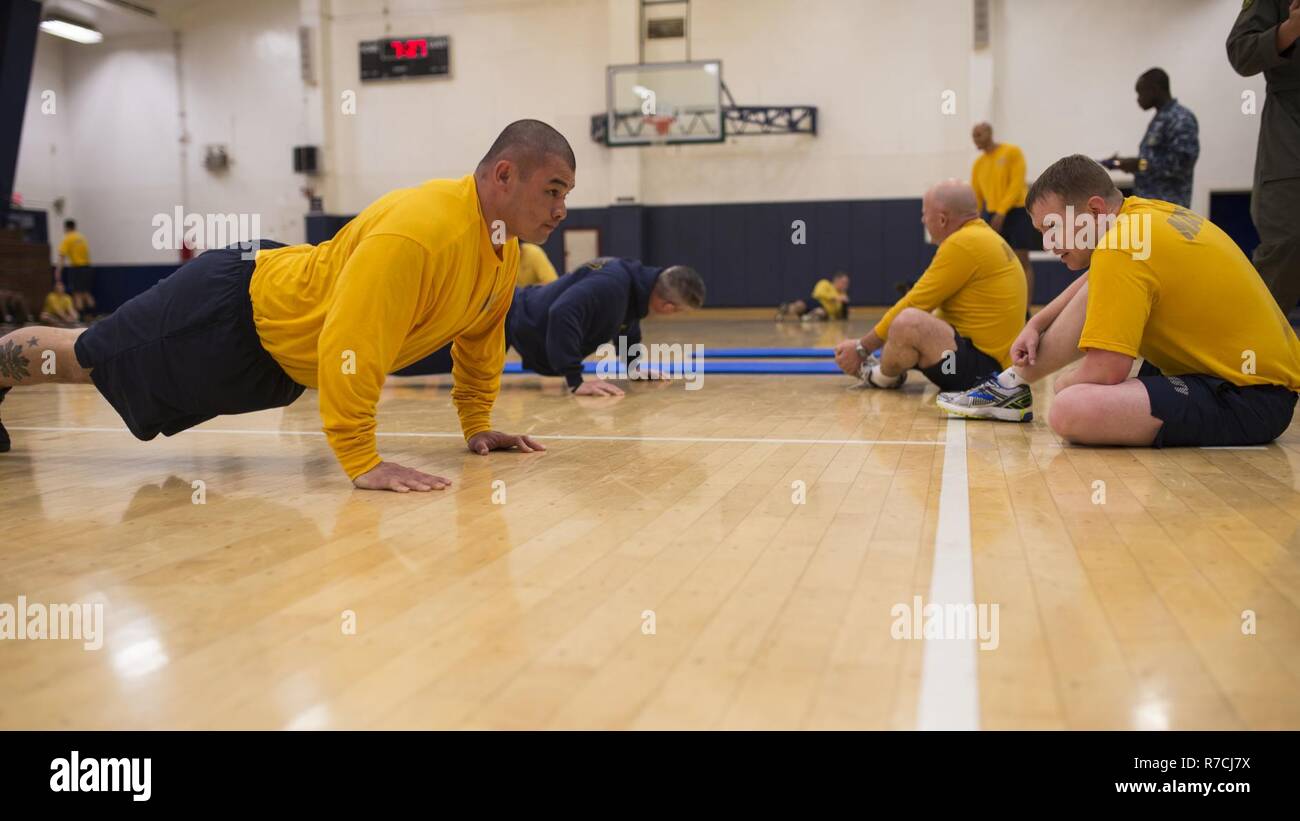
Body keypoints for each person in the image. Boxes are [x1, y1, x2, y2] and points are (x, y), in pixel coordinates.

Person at [0, 120, 574, 482]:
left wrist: (477, 424)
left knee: (109, 375)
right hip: (229, 309)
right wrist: (361, 458)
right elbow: (354, 338)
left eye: (566, 196)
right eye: (552, 191)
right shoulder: (424, 231)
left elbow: (479, 341)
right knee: (88, 358)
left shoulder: (500, 250)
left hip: (271, 361)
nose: (560, 209)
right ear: (504, 174)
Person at [938, 155, 1299, 447]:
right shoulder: (1140, 216)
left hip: (1249, 399)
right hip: (1243, 379)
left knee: (1069, 409)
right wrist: (1036, 322)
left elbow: (1107, 371)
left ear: (1094, 210)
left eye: (1052, 227)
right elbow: (1094, 280)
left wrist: (1063, 384)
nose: (1048, 243)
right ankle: (1010, 384)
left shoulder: (1119, 246)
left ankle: (1013, 387)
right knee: (1083, 380)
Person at [396, 258, 706, 397]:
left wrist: (635, 367)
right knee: (430, 357)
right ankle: (374, 364)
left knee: (438, 358)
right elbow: (562, 313)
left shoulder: (632, 288)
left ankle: (382, 361)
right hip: (503, 316)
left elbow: (626, 326)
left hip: (513, 315)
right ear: (668, 306)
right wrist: (575, 379)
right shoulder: (613, 285)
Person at [832, 180, 1026, 392]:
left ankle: (878, 377)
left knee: (908, 321)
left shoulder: (962, 243)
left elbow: (913, 304)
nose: (923, 219)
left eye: (925, 213)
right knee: (908, 331)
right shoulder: (981, 236)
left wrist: (861, 348)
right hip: (988, 362)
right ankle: (887, 375)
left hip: (983, 371)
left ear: (942, 219)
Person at [1227, 0, 1300, 317]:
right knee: (1286, 242)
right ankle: (1246, 352)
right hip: (1292, 125)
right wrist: (1291, 28)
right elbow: (1241, 53)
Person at [1102, 68, 1200, 208]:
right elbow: (1152, 160)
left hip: (1170, 210)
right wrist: (1129, 164)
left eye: (1140, 93)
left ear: (1154, 89)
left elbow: (1182, 163)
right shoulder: (1161, 118)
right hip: (1152, 207)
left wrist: (1139, 164)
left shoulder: (1181, 118)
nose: (1138, 99)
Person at [970, 122, 1038, 308]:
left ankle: (1025, 309)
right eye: (973, 135)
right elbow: (976, 195)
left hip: (1015, 211)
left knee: (1022, 260)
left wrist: (1002, 211)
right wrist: (974, 219)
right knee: (997, 262)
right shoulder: (978, 164)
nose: (975, 138)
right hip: (991, 214)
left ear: (990, 133)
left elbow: (1017, 185)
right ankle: (1004, 306)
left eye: (979, 134)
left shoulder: (1011, 152)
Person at [55, 218, 95, 316]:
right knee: (86, 292)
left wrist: (58, 271)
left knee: (77, 293)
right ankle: (93, 315)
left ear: (66, 228)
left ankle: (81, 318)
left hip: (77, 268)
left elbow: (62, 257)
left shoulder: (67, 238)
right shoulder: (81, 237)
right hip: (87, 267)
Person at [776, 271, 850, 321]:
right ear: (836, 280)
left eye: (846, 283)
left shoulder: (843, 296)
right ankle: (784, 310)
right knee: (799, 305)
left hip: (824, 312)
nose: (845, 286)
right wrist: (835, 297)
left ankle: (807, 318)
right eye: (843, 282)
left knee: (820, 312)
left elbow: (838, 316)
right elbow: (818, 293)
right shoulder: (825, 283)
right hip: (815, 302)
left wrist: (844, 306)